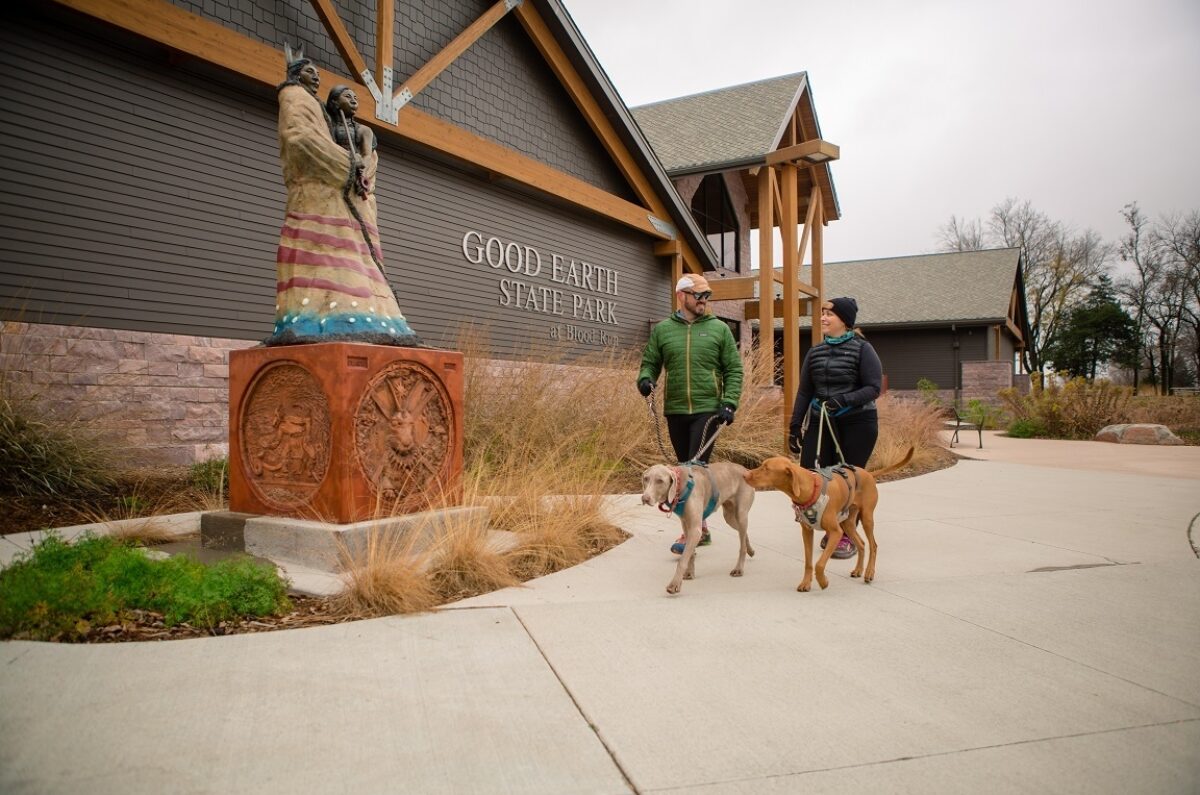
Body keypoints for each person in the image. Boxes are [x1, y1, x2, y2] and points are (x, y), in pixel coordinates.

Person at [268, 47, 419, 347]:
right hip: (322, 200)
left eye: (318, 75)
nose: (316, 78)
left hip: (352, 200)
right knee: (323, 254)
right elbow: (302, 140)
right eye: (310, 73)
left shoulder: (361, 129)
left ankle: (362, 312)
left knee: (355, 258)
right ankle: (320, 315)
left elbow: (367, 160)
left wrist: (359, 172)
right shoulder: (301, 103)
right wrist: (347, 166)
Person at [637, 273, 744, 555]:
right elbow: (650, 362)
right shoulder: (663, 330)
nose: (704, 301)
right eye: (699, 295)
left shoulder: (719, 329)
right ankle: (699, 527)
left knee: (693, 470)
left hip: (708, 410)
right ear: (681, 296)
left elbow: (734, 369)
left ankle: (695, 530)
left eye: (707, 296)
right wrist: (646, 379)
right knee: (683, 466)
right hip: (675, 410)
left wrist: (729, 402)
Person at [788, 297, 882, 559]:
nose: (823, 318)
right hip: (821, 420)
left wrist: (844, 399)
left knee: (846, 482)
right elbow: (805, 390)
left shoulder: (864, 349)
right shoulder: (815, 352)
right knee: (812, 474)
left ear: (845, 320)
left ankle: (843, 536)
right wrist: (795, 425)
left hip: (857, 422)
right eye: (822, 313)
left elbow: (873, 388)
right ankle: (825, 524)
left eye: (829, 313)